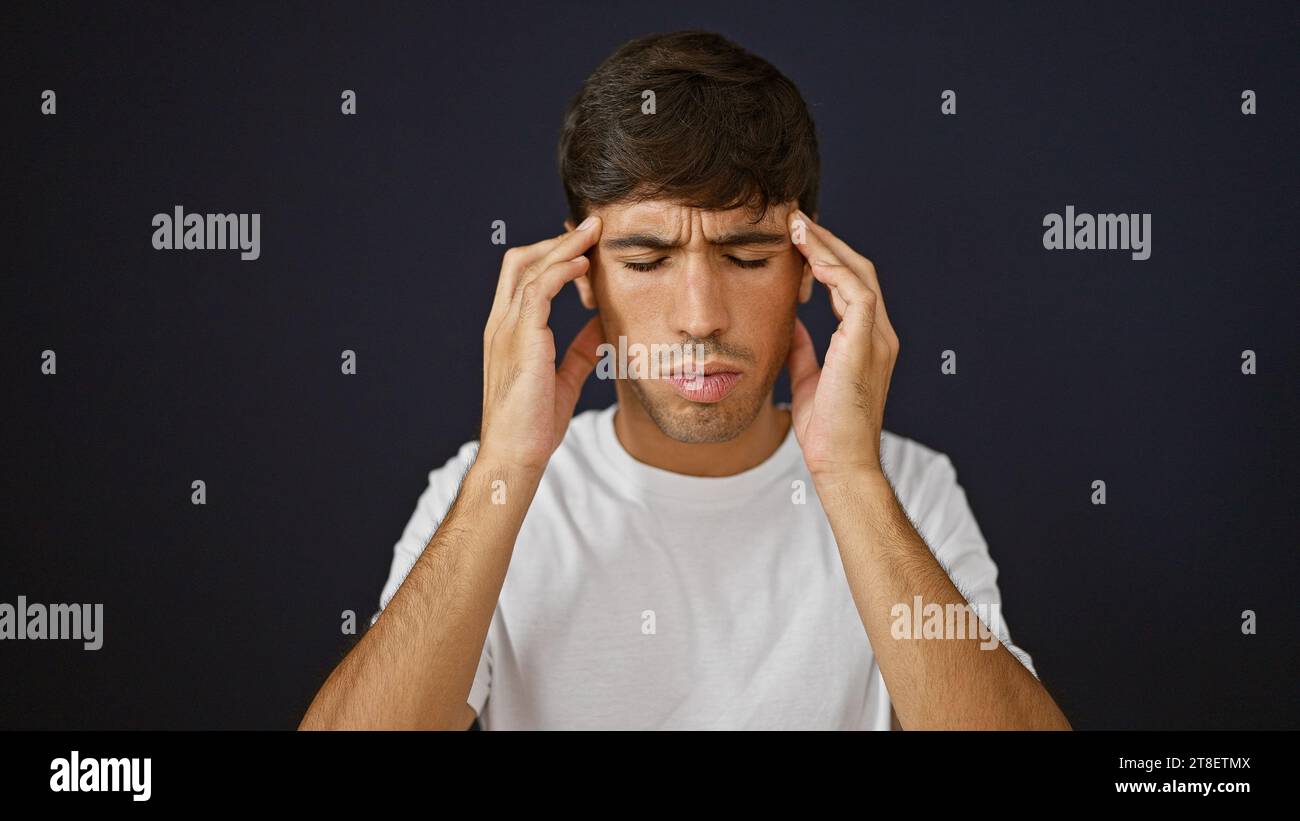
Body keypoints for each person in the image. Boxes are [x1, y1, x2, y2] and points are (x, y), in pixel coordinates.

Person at [299, 30, 1071, 730]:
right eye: (645, 261)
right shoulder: (484, 493)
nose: (700, 316)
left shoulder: (908, 486)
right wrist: (505, 465)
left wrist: (848, 475)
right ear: (581, 275)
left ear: (811, 269)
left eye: (747, 257)